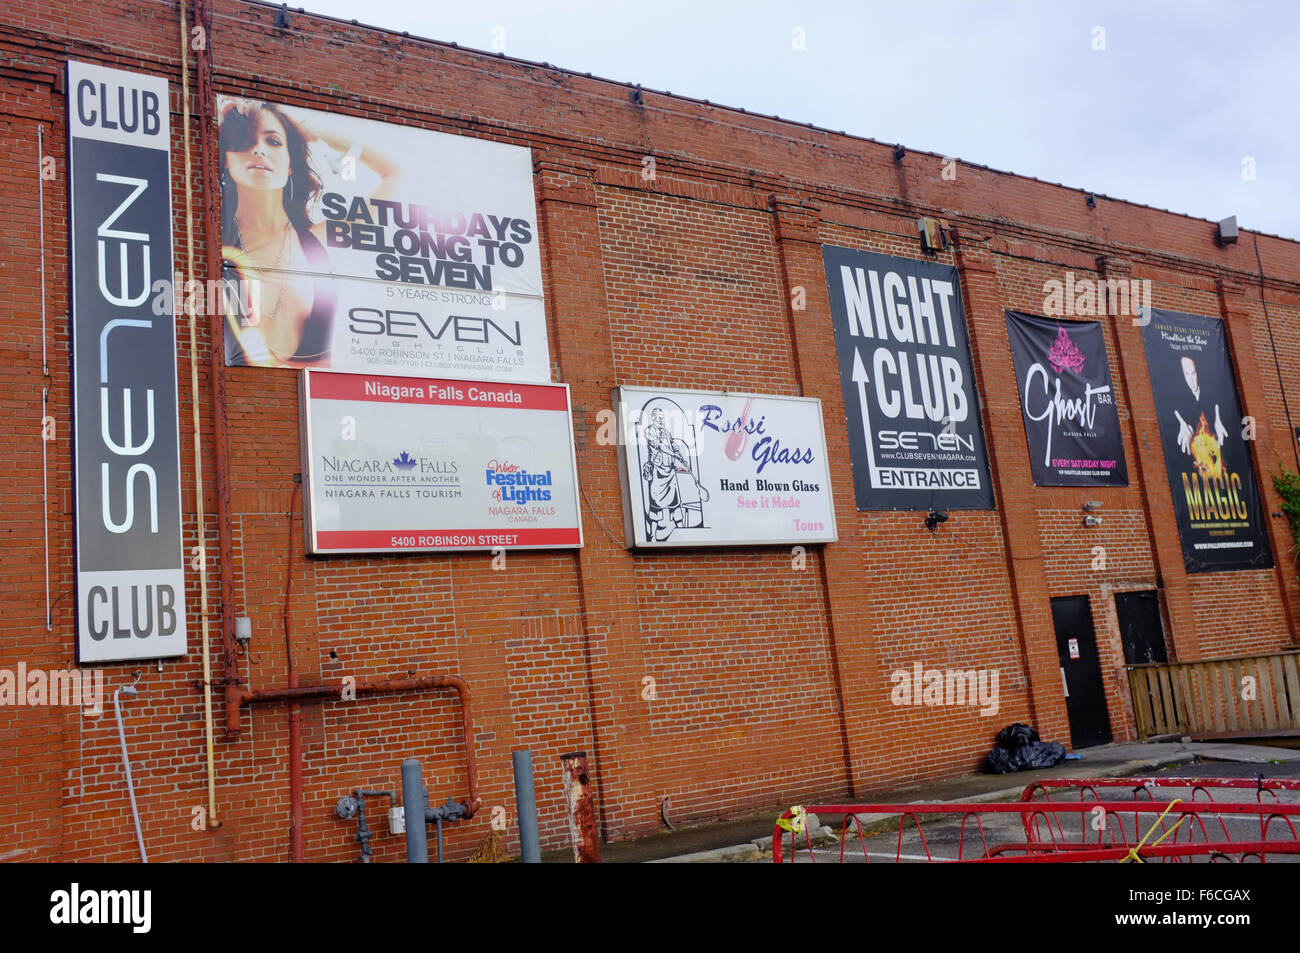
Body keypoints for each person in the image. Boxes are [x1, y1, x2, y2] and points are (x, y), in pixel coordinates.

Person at [218, 99, 399, 367]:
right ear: (226, 159)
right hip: (239, 402)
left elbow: (393, 174)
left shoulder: (318, 239)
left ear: (291, 162)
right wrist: (219, 125)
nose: (258, 150)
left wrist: (311, 130)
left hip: (318, 404)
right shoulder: (214, 238)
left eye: (274, 142)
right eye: (243, 141)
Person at [1172, 355, 1229, 478]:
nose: (1191, 379)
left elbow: (1222, 403)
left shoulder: (1211, 392)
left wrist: (1218, 418)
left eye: (1193, 373)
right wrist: (1182, 423)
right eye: (1187, 374)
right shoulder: (1180, 401)